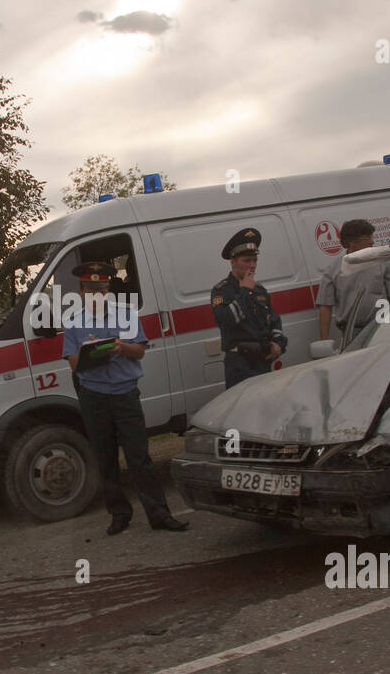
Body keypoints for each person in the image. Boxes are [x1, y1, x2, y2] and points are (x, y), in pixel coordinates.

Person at [62, 261, 189, 536]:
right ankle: (119, 515)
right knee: (105, 459)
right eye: (90, 289)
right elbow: (73, 363)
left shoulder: (127, 315)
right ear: (82, 291)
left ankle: (160, 514)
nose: (96, 293)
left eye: (101, 288)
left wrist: (122, 346)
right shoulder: (73, 322)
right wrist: (88, 351)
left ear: (107, 288)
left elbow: (139, 351)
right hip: (94, 396)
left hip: (124, 394)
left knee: (139, 457)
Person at [211, 227, 287, 389]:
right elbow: (226, 320)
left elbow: (273, 321)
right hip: (239, 363)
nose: (252, 265)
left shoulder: (259, 290)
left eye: (254, 260)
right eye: (246, 261)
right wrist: (245, 291)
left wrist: (279, 344)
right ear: (233, 261)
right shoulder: (222, 290)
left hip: (263, 360)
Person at [316, 219, 390, 347]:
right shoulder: (334, 270)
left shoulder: (382, 262)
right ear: (352, 243)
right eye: (367, 239)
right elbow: (325, 308)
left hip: (381, 328)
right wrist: (324, 343)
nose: (372, 242)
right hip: (352, 333)